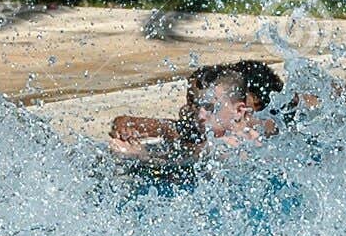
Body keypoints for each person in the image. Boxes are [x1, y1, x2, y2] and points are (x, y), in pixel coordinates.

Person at [110, 60, 283, 168]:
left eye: (208, 106)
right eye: (194, 104)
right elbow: (173, 129)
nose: (196, 113)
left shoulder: (250, 136)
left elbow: (194, 155)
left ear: (245, 105)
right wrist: (129, 124)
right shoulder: (212, 126)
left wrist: (142, 156)